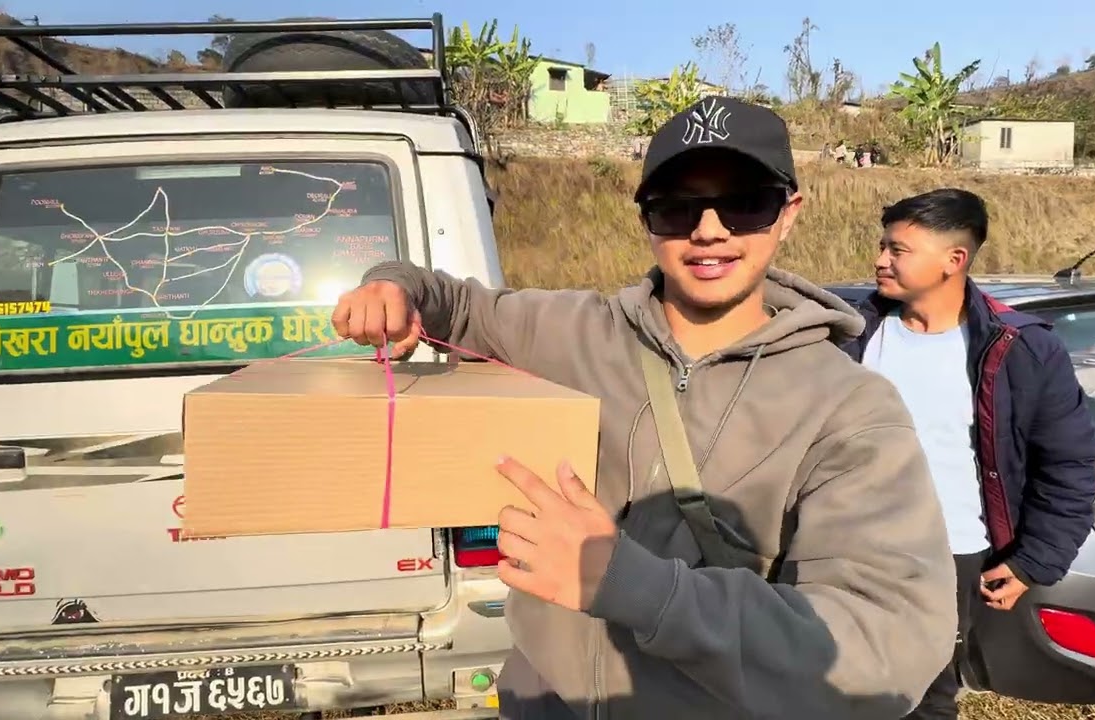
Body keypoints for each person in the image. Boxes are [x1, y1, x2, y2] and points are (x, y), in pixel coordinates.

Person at [331, 96, 957, 718]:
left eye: (745, 203)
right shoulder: (573, 332)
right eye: (676, 206)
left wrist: (639, 589)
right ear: (646, 219)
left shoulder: (848, 407)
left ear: (788, 213)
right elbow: (457, 304)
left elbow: (883, 646)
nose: (708, 230)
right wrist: (393, 286)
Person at [841, 188, 1095, 720]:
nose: (880, 259)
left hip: (951, 557)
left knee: (925, 697)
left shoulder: (1020, 348)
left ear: (953, 260)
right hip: (845, 544)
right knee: (830, 682)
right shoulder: (851, 335)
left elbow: (1069, 464)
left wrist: (1034, 560)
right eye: (883, 245)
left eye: (898, 249)